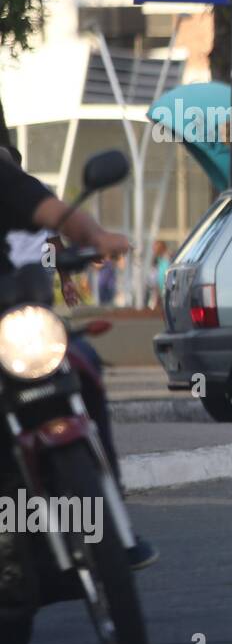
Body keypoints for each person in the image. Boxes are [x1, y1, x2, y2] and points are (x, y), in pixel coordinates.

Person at [0, 145, 157, 567]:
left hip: (11, 325)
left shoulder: (3, 173)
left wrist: (94, 236)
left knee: (80, 361)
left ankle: (113, 520)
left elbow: (54, 212)